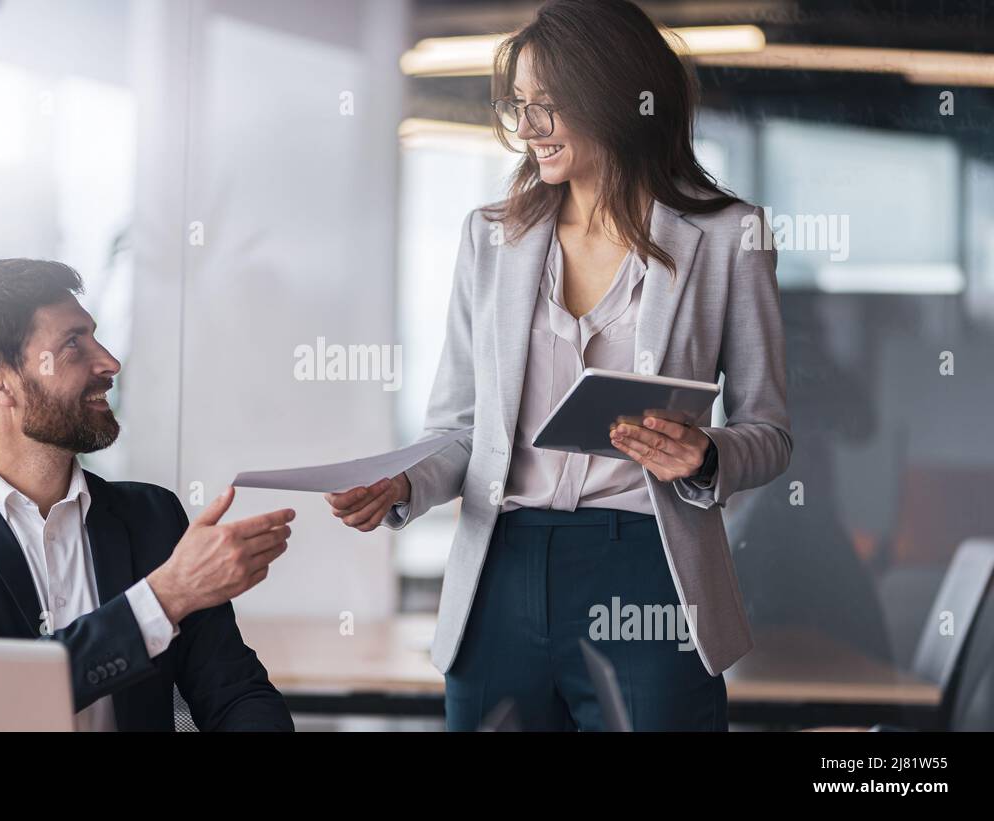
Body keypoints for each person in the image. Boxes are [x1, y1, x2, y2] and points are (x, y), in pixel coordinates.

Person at [326, 0, 792, 730]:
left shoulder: (729, 234)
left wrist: (704, 454)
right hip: (501, 571)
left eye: (547, 106)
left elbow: (768, 429)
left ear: (615, 98)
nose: (526, 129)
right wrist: (404, 482)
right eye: (520, 107)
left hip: (649, 571)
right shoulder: (490, 238)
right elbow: (458, 430)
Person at [0, 258, 295, 731]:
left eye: (94, 336)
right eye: (72, 344)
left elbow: (235, 693)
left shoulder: (151, 515)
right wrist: (167, 596)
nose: (108, 362)